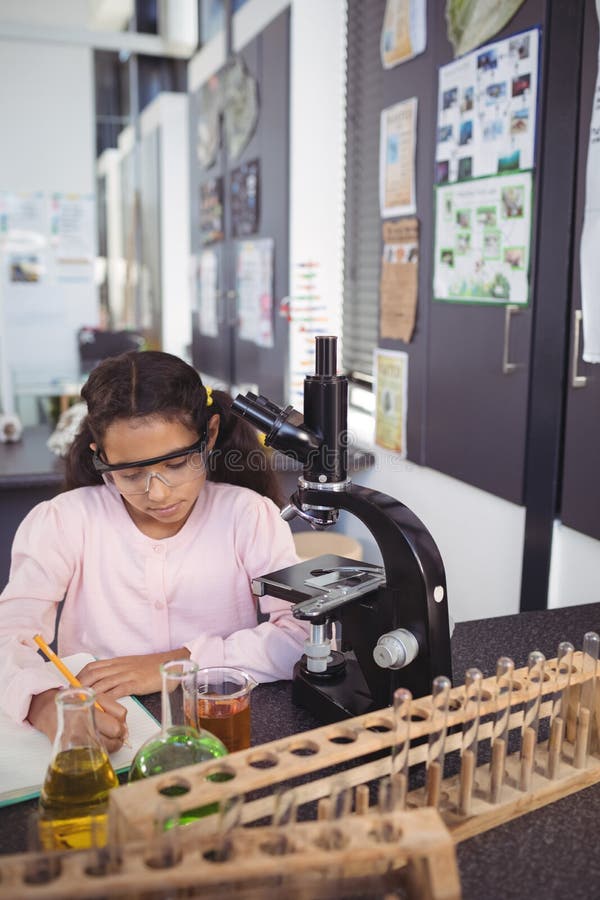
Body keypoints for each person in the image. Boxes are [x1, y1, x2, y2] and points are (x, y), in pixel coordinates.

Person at [0, 351, 308, 752]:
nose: (158, 494)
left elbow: (302, 637)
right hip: (103, 729)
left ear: (210, 434)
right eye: (130, 474)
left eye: (177, 464)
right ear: (101, 456)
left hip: (217, 728)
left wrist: (179, 662)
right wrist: (43, 703)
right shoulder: (63, 521)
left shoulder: (248, 516)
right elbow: (9, 635)